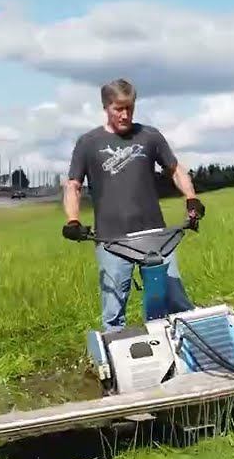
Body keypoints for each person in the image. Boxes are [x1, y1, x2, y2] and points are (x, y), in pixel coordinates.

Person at [63, 78, 206, 333]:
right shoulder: (88, 142)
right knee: (114, 313)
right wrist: (73, 220)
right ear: (106, 107)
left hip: (156, 237)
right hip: (112, 240)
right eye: (119, 108)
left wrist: (191, 197)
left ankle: (185, 358)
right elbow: (73, 185)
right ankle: (118, 367)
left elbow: (175, 170)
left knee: (175, 301)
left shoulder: (149, 136)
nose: (125, 114)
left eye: (130, 108)